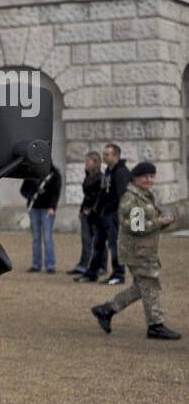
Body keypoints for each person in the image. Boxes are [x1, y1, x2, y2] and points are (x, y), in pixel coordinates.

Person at [91, 162, 179, 339]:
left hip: (143, 250)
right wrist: (158, 223)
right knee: (150, 286)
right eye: (145, 176)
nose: (149, 180)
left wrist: (162, 224)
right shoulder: (133, 198)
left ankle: (106, 310)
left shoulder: (145, 196)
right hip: (137, 251)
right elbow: (136, 226)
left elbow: (143, 225)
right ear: (135, 178)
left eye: (152, 176)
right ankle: (155, 325)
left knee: (142, 287)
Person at [75, 143, 130, 284]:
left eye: (107, 154)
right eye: (104, 154)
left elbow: (121, 196)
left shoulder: (121, 172)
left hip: (113, 215)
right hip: (102, 215)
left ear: (116, 156)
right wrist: (97, 208)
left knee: (114, 245)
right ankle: (92, 273)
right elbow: (103, 192)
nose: (104, 156)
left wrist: (109, 210)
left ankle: (118, 274)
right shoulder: (108, 171)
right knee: (98, 244)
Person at [19, 160, 60, 272]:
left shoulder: (54, 174)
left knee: (47, 237)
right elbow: (23, 190)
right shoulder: (31, 173)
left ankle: (50, 265)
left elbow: (56, 192)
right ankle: (36, 264)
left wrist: (53, 207)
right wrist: (30, 196)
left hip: (47, 209)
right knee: (36, 238)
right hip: (34, 208)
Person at [69, 150, 101, 275]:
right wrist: (82, 210)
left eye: (88, 161)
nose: (86, 163)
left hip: (96, 214)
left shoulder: (100, 178)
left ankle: (100, 266)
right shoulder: (88, 176)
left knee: (98, 241)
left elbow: (99, 197)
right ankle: (83, 265)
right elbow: (86, 196)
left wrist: (94, 210)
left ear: (95, 162)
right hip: (87, 213)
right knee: (86, 240)